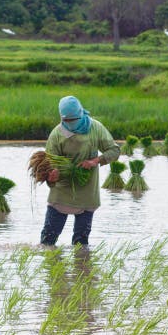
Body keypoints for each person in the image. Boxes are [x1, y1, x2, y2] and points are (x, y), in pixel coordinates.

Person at [40, 95, 120, 248]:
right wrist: (52, 176)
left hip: (87, 191)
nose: (70, 124)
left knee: (81, 244)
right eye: (66, 121)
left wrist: (95, 161)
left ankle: (81, 270)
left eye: (73, 119)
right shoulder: (57, 134)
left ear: (81, 113)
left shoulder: (95, 128)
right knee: (48, 241)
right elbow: (48, 169)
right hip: (61, 193)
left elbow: (114, 150)